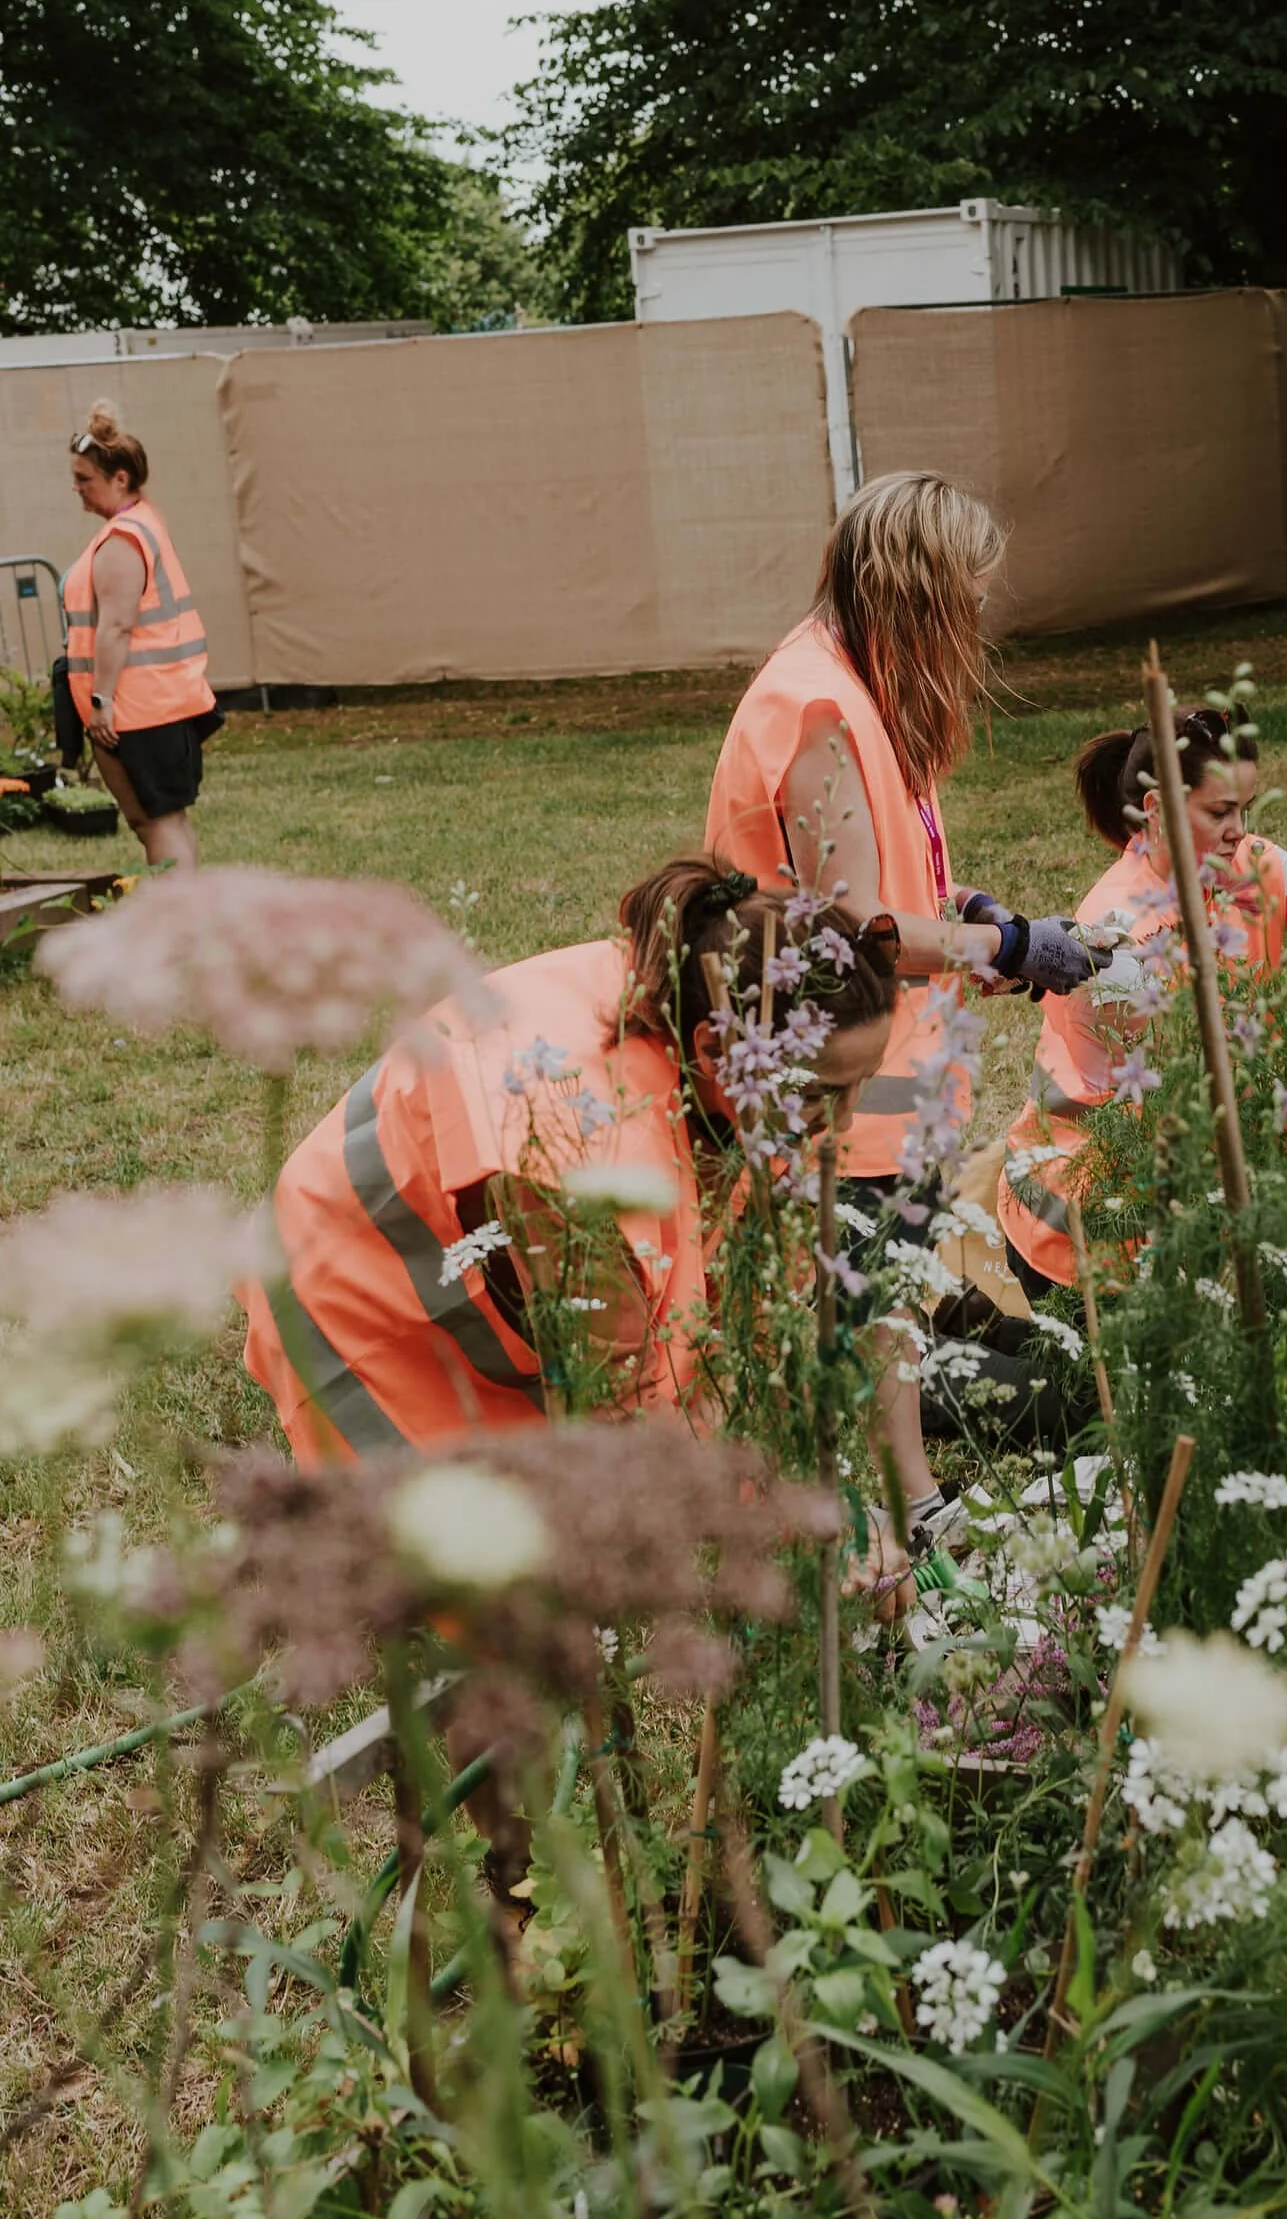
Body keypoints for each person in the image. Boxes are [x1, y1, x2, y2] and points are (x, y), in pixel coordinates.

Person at [706, 471, 1105, 1539]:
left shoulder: (855, 686)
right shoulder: (818, 707)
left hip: (884, 1074)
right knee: (856, 1311)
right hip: (842, 1084)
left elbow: (891, 883)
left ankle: (900, 1502)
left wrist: (968, 905)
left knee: (880, 1307)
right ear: (917, 587)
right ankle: (870, 1524)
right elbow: (854, 926)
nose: (974, 614)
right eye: (963, 590)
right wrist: (1005, 943)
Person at [241, 853, 897, 1476]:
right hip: (353, 1284)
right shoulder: (576, 1150)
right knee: (438, 1554)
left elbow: (757, 1331)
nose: (841, 1124)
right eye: (819, 1093)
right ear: (714, 1049)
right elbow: (622, 1418)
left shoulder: (716, 1015)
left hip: (499, 1272)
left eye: (861, 1082)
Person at [997, 706, 1287, 1298]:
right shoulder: (1116, 928)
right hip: (1089, 1230)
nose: (1239, 829)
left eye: (1245, 809)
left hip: (1190, 1205)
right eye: (1220, 811)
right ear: (1156, 812)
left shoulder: (1247, 862)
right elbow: (1175, 1111)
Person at [61, 402, 217, 868]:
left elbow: (117, 626)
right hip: (156, 705)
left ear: (121, 478)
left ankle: (174, 929)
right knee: (162, 820)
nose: (77, 487)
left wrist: (101, 701)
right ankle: (184, 922)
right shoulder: (141, 523)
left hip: (136, 711)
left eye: (85, 478)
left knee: (158, 822)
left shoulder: (122, 541)